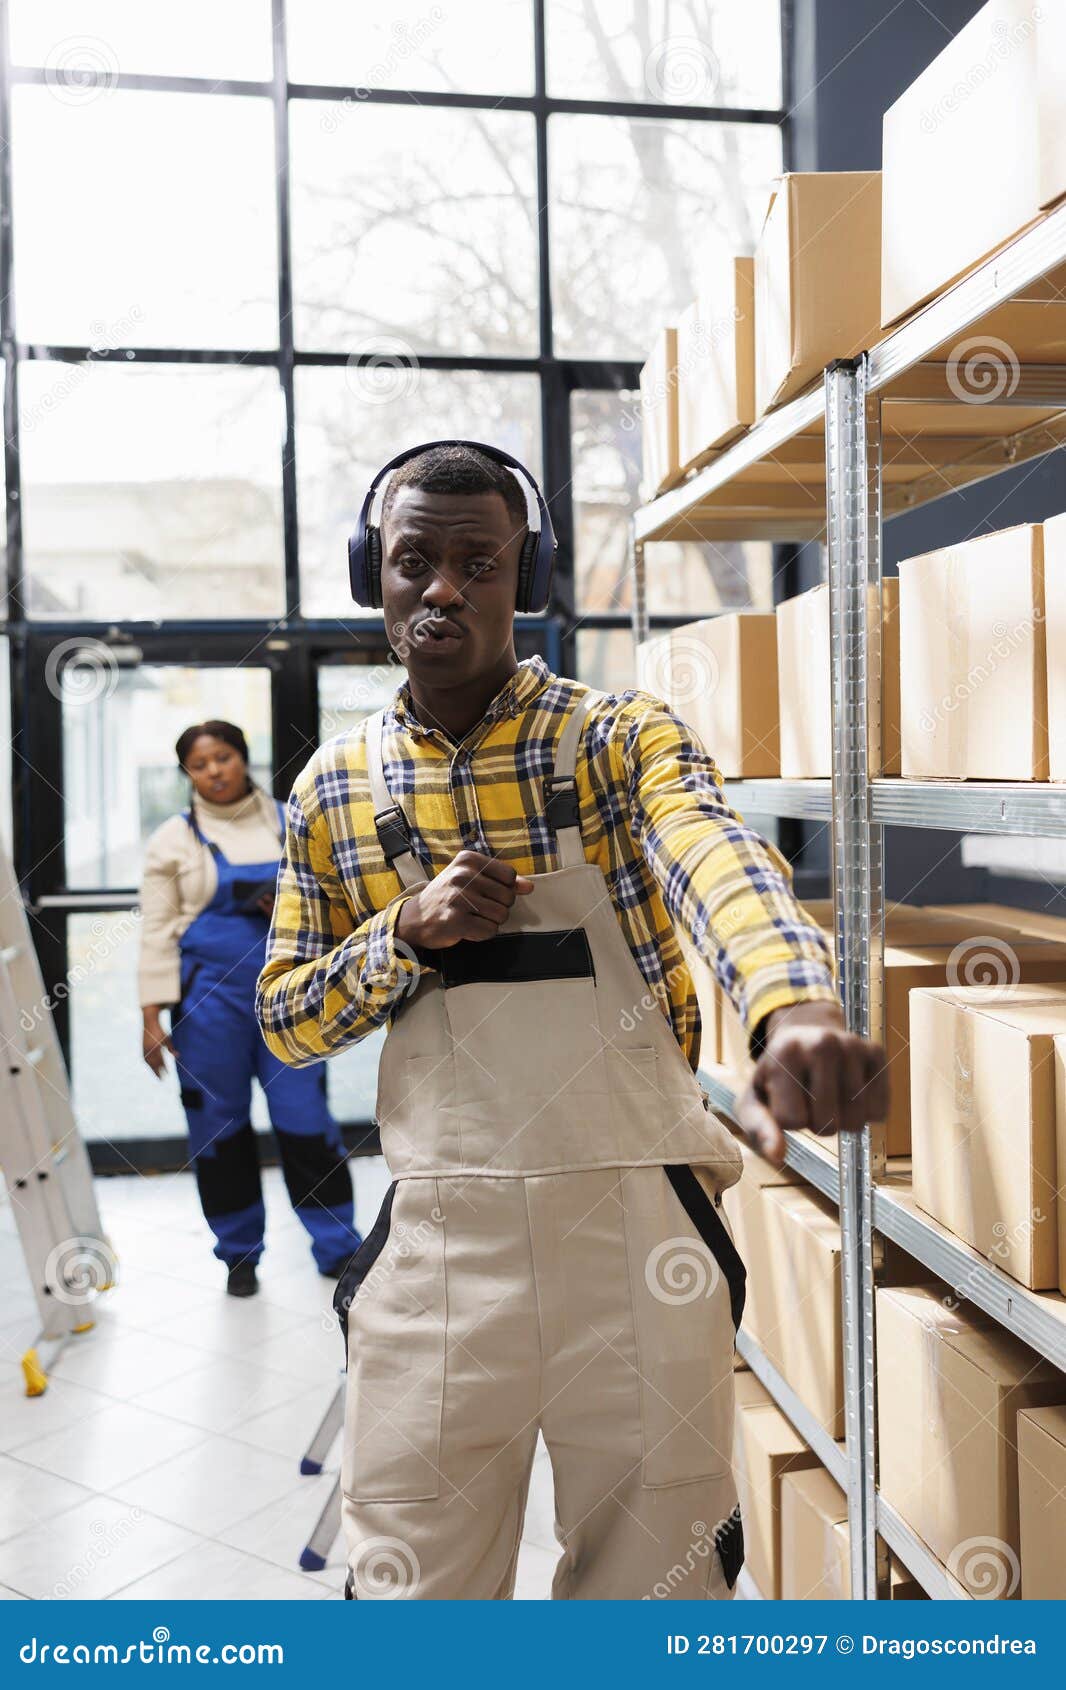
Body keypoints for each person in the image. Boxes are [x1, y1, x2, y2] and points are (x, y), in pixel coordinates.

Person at [256, 441, 888, 1600]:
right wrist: (400, 932)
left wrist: (793, 1002)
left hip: (638, 1241)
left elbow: (713, 853)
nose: (441, 588)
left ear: (525, 577)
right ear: (372, 577)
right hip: (440, 1245)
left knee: (655, 1583)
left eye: (477, 563)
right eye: (412, 561)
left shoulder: (614, 739)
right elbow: (287, 1021)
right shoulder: (332, 788)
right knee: (411, 1590)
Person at [138, 719, 361, 1297]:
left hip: (291, 996)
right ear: (188, 773)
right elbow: (157, 932)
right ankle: (239, 1255)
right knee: (220, 1129)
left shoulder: (292, 821)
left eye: (224, 757)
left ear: (244, 758)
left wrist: (287, 908)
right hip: (209, 1004)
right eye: (200, 763)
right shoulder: (173, 841)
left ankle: (337, 1246)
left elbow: (334, 897)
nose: (214, 771)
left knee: (306, 1122)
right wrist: (150, 1019)